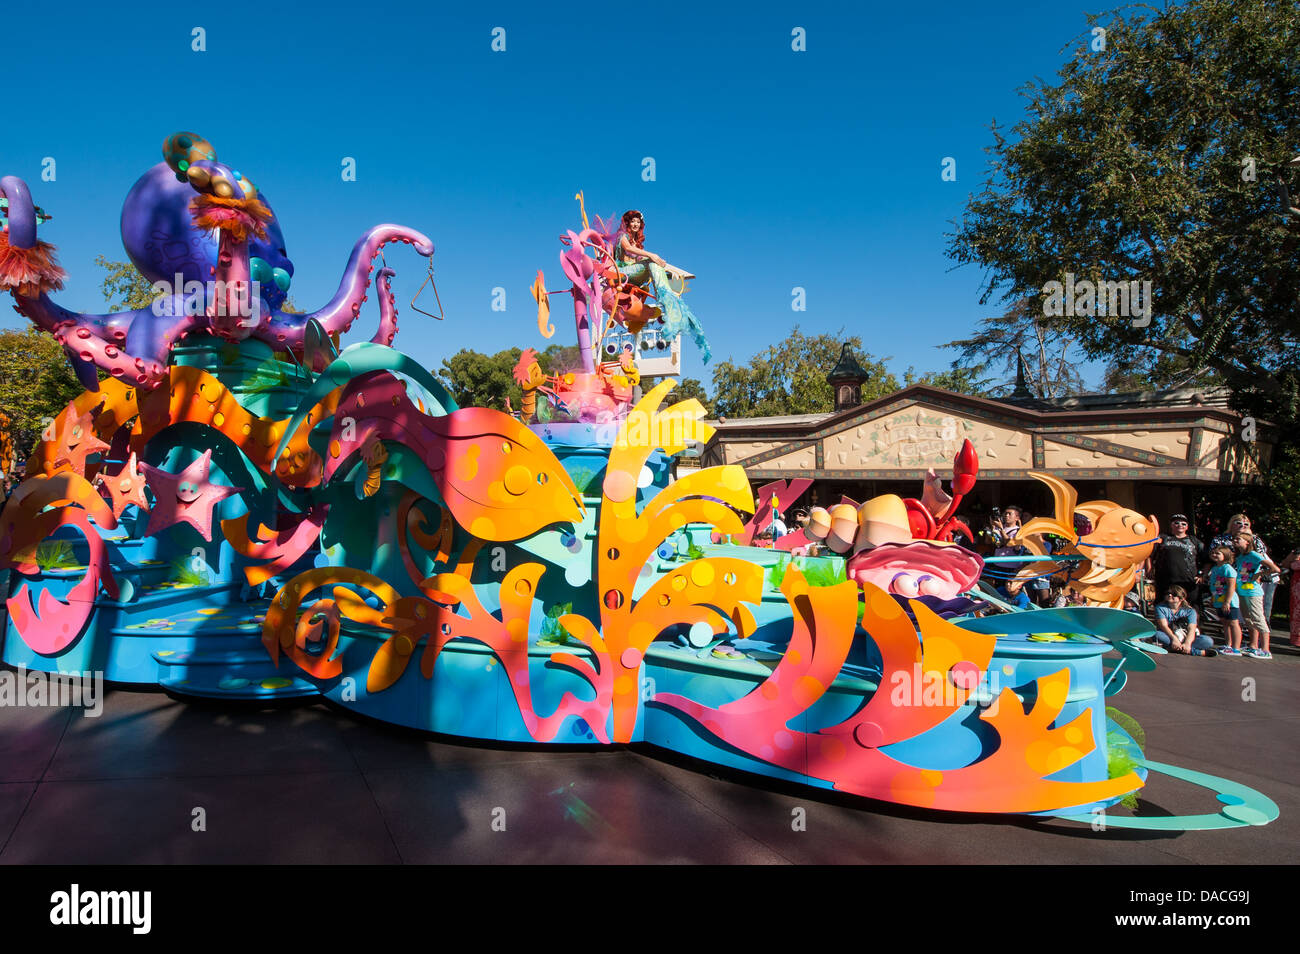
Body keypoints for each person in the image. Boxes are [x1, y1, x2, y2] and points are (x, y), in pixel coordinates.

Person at [615, 210, 711, 362]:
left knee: (655, 265)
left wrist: (671, 273)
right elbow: (628, 249)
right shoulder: (623, 237)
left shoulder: (637, 244)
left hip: (635, 278)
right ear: (627, 222)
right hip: (620, 274)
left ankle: (669, 300)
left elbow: (653, 266)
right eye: (633, 221)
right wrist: (651, 254)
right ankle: (665, 297)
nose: (635, 224)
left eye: (638, 222)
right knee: (652, 261)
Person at [1212, 513, 1278, 629]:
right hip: (1228, 576)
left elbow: (1262, 558)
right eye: (1238, 523)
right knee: (1236, 608)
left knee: (1255, 613)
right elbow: (1213, 555)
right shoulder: (1220, 539)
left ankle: (1262, 645)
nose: (1242, 525)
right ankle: (1241, 635)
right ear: (1231, 523)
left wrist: (1258, 574)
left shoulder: (1254, 540)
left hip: (1248, 579)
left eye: (1246, 524)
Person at [1233, 531, 1280, 659]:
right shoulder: (1240, 556)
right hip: (1243, 591)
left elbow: (1275, 569)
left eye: (1239, 539)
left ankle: (1265, 649)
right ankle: (1253, 645)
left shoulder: (1254, 555)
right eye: (1235, 539)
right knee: (1248, 619)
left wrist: (1259, 574)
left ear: (1247, 542)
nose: (1235, 540)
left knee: (1258, 619)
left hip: (1253, 592)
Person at [1150, 513, 1204, 603]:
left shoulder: (1194, 541)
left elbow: (1206, 559)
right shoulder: (1163, 538)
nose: (1180, 525)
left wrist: (1202, 574)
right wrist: (1149, 568)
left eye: (1183, 524)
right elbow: (1149, 554)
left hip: (1188, 581)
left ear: (1187, 527)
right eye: (1176, 523)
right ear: (1171, 525)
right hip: (1165, 580)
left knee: (1192, 607)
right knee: (1164, 606)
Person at [1151, 585, 1216, 656]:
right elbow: (1163, 626)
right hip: (1169, 636)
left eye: (1174, 594)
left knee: (1208, 641)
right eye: (1167, 593)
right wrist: (1174, 639)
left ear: (1181, 598)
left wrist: (1187, 643)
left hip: (1185, 637)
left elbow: (1192, 628)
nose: (1170, 595)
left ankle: (1172, 649)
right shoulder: (1160, 608)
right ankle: (1195, 652)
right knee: (1156, 634)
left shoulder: (1190, 611)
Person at [1206, 545, 1244, 656]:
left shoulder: (1228, 568)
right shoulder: (1214, 568)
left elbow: (1231, 586)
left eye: (1218, 553)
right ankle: (1228, 644)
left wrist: (1227, 601)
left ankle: (1236, 647)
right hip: (1218, 599)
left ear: (1225, 555)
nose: (1214, 555)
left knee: (1233, 623)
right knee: (1225, 623)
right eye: (1213, 553)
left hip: (1229, 601)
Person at [1282, 545, 1300, 648]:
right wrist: (1293, 556)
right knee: (1296, 614)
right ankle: (1297, 640)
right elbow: (1285, 565)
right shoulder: (1297, 551)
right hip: (1296, 587)